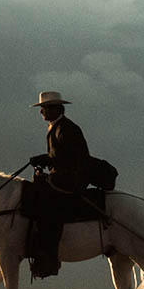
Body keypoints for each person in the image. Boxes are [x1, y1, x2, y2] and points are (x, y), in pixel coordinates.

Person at [27, 91, 91, 277]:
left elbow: (73, 160)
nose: (41, 112)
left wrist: (47, 160)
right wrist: (46, 161)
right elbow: (59, 157)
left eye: (44, 109)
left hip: (71, 180)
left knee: (45, 205)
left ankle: (49, 256)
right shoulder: (57, 127)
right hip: (61, 176)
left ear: (56, 109)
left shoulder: (67, 129)